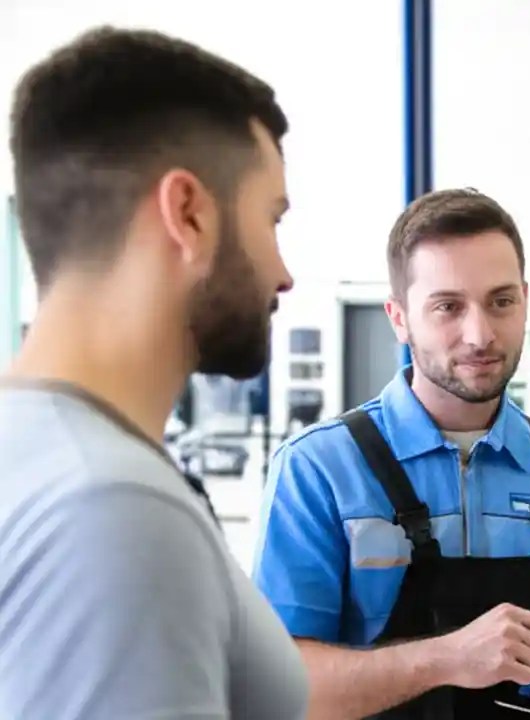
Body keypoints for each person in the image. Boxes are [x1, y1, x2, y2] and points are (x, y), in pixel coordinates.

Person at [0, 26, 308, 719]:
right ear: (188, 214)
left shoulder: (34, 457)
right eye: (272, 219)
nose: (284, 275)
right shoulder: (113, 508)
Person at [253, 188, 530, 719]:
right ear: (400, 317)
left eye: (501, 301)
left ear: (525, 299)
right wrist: (446, 658)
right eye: (448, 307)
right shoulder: (319, 470)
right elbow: (279, 691)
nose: (480, 334)